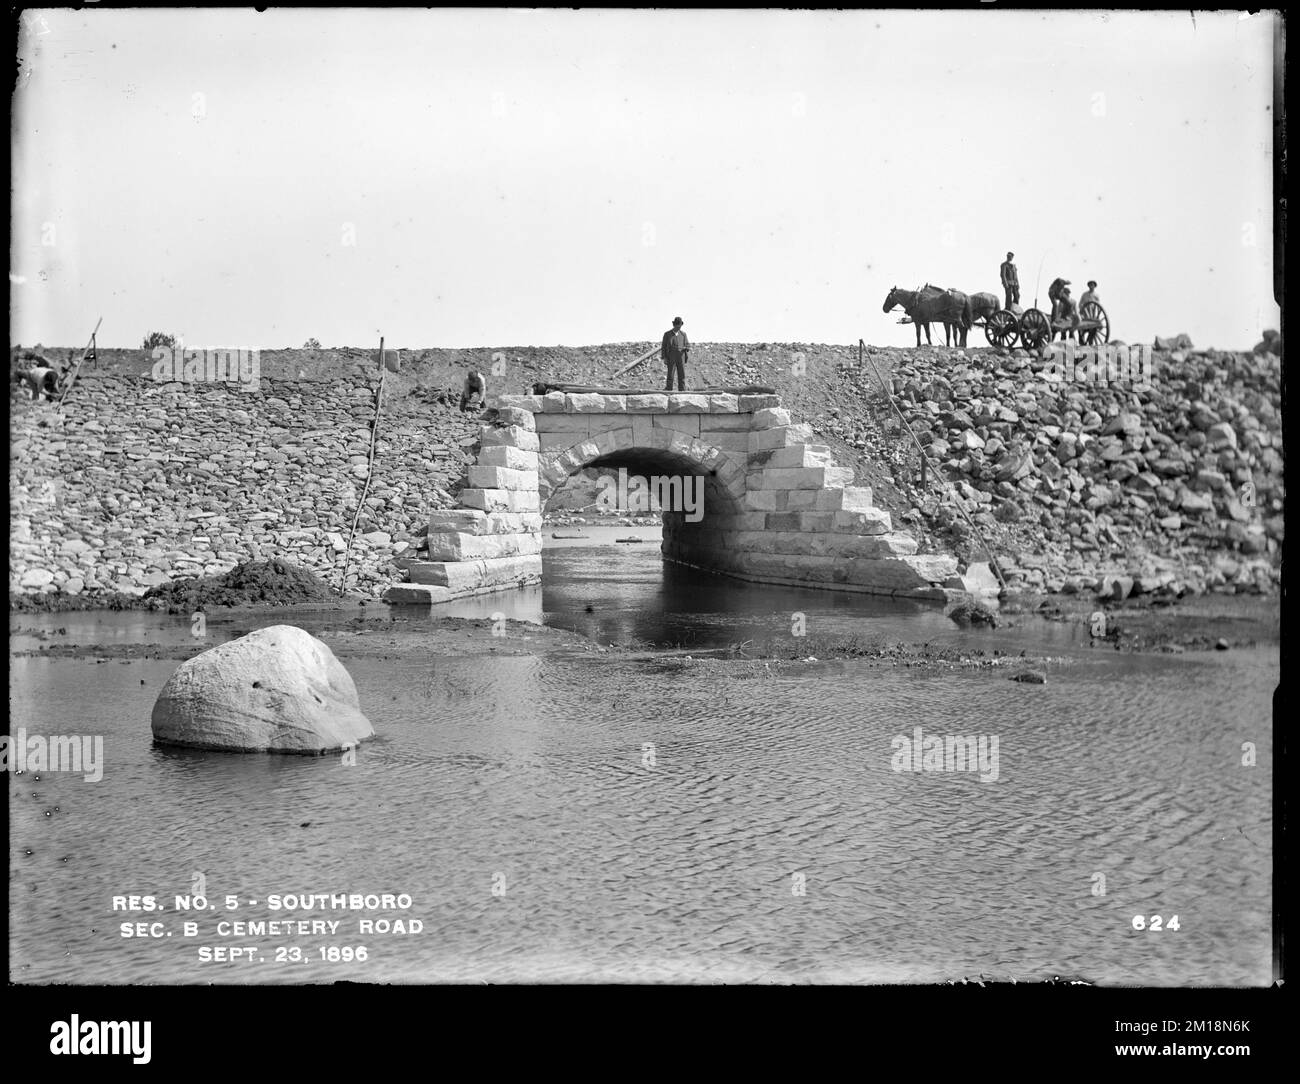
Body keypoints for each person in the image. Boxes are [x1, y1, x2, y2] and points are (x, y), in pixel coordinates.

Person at [662, 316, 689, 391]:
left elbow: (687, 344)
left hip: (681, 356)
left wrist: (685, 348)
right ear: (674, 325)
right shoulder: (667, 334)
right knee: (670, 374)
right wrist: (664, 357)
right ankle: (669, 389)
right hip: (671, 356)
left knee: (682, 374)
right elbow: (663, 346)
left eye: (680, 325)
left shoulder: (683, 334)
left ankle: (682, 390)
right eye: (677, 325)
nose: (679, 327)